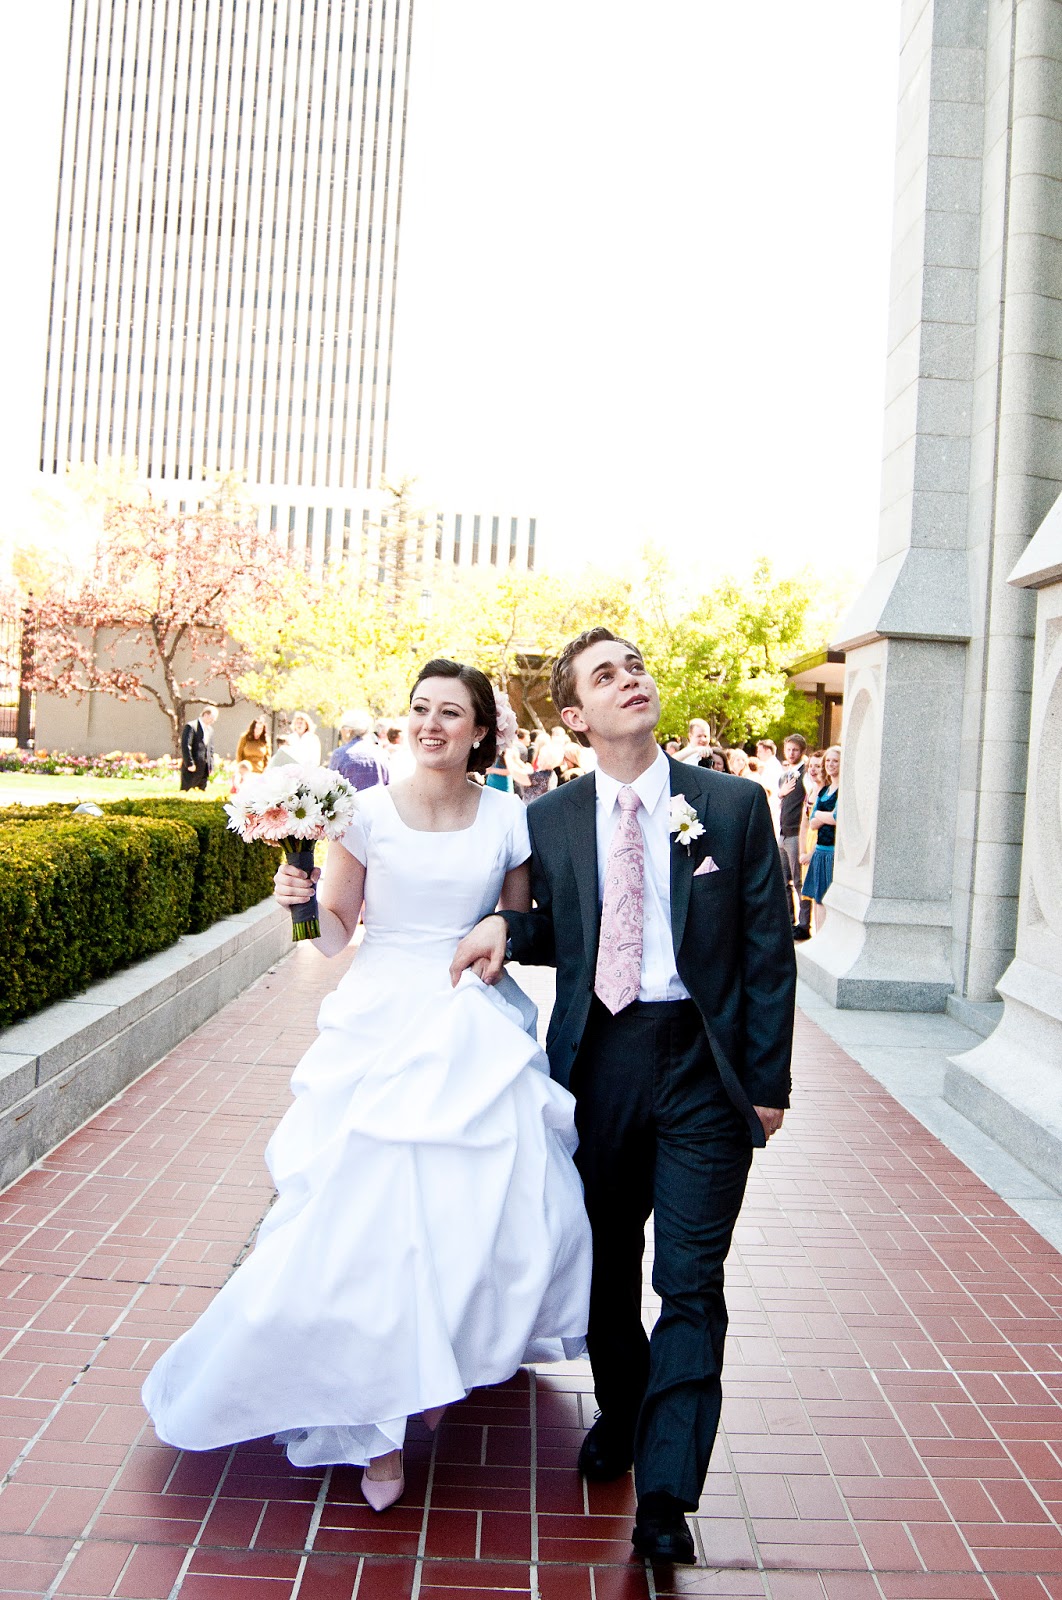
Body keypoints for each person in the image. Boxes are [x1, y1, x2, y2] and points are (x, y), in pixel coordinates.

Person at [142, 658, 591, 1512]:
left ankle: (432, 1366)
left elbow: (516, 925)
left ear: (481, 731)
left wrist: (502, 933)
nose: (431, 724)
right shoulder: (364, 814)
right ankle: (374, 1424)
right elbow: (335, 936)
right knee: (369, 1221)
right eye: (420, 709)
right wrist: (299, 900)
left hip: (469, 1024)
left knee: (468, 1217)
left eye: (451, 713)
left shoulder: (509, 818)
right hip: (381, 1025)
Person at [451, 627, 795, 1567]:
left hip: (703, 1067)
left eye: (636, 665)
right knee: (605, 1257)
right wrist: (500, 928)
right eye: (606, 676)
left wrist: (766, 1082)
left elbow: (767, 948)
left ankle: (669, 1491)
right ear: (575, 716)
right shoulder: (550, 816)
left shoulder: (730, 805)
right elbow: (557, 923)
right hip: (598, 1059)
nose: (631, 680)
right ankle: (621, 1412)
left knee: (689, 1280)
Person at [777, 733, 811, 941]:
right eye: (789, 749)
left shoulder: (806, 774)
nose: (791, 753)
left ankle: (804, 923)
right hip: (782, 832)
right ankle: (788, 922)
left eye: (795, 750)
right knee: (782, 881)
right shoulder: (784, 775)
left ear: (802, 752)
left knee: (799, 882)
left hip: (796, 834)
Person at [802, 745, 840, 931]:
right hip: (820, 850)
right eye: (828, 761)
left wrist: (823, 817)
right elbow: (812, 821)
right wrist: (825, 817)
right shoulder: (824, 791)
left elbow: (836, 817)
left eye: (835, 761)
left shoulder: (843, 790)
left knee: (830, 899)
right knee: (818, 897)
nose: (831, 764)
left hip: (834, 852)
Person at [329, 709, 389, 791]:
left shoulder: (339, 754)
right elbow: (388, 783)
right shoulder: (380, 753)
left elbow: (330, 785)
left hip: (350, 803)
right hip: (377, 802)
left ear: (348, 730)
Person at [179, 706, 217, 790]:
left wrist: (211, 767)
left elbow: (210, 750)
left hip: (204, 769)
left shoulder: (210, 730)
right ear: (206, 714)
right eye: (212, 718)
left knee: (201, 793)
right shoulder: (191, 726)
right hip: (192, 768)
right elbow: (186, 746)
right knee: (187, 791)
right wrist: (190, 763)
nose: (213, 721)